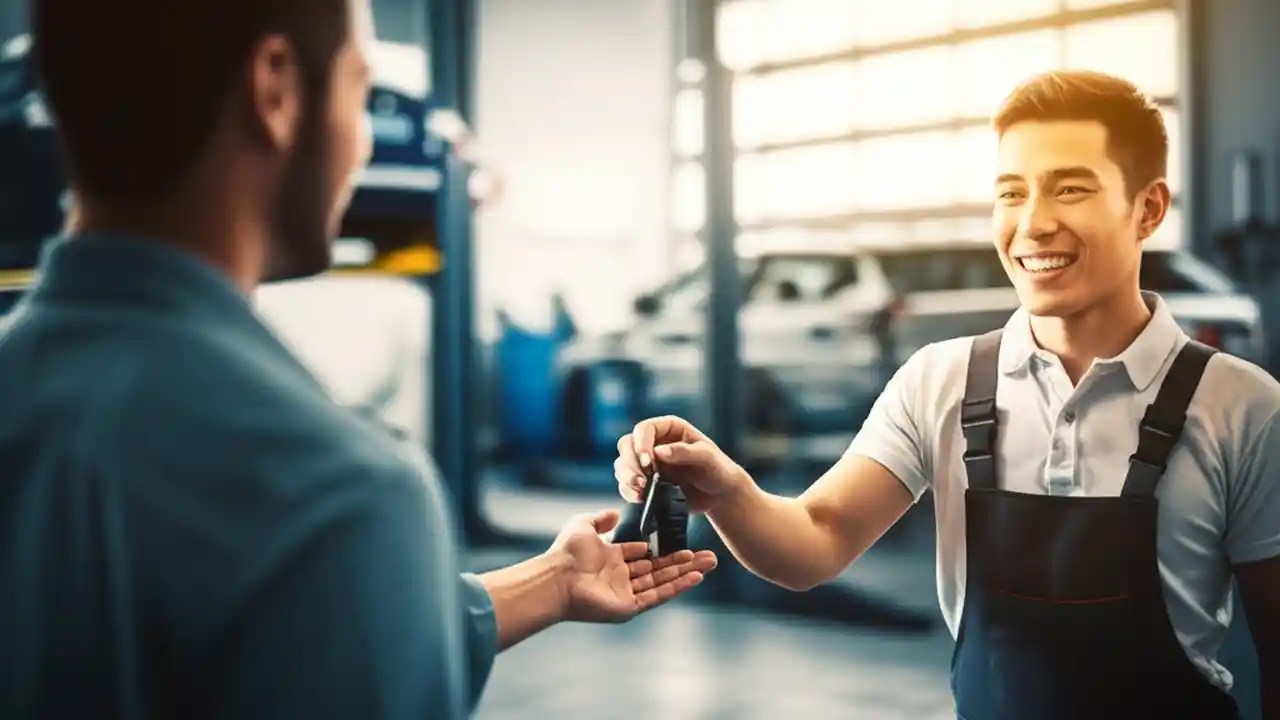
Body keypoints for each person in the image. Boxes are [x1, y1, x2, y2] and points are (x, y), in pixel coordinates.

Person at [0, 1, 717, 718]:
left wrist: (553, 581)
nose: (361, 143)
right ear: (276, 89)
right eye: (358, 92)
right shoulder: (338, 493)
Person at [617, 71, 1278, 719]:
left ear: (1149, 209)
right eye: (1011, 192)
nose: (1033, 223)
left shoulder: (1243, 409)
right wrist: (727, 490)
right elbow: (815, 540)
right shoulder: (940, 382)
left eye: (1070, 189)